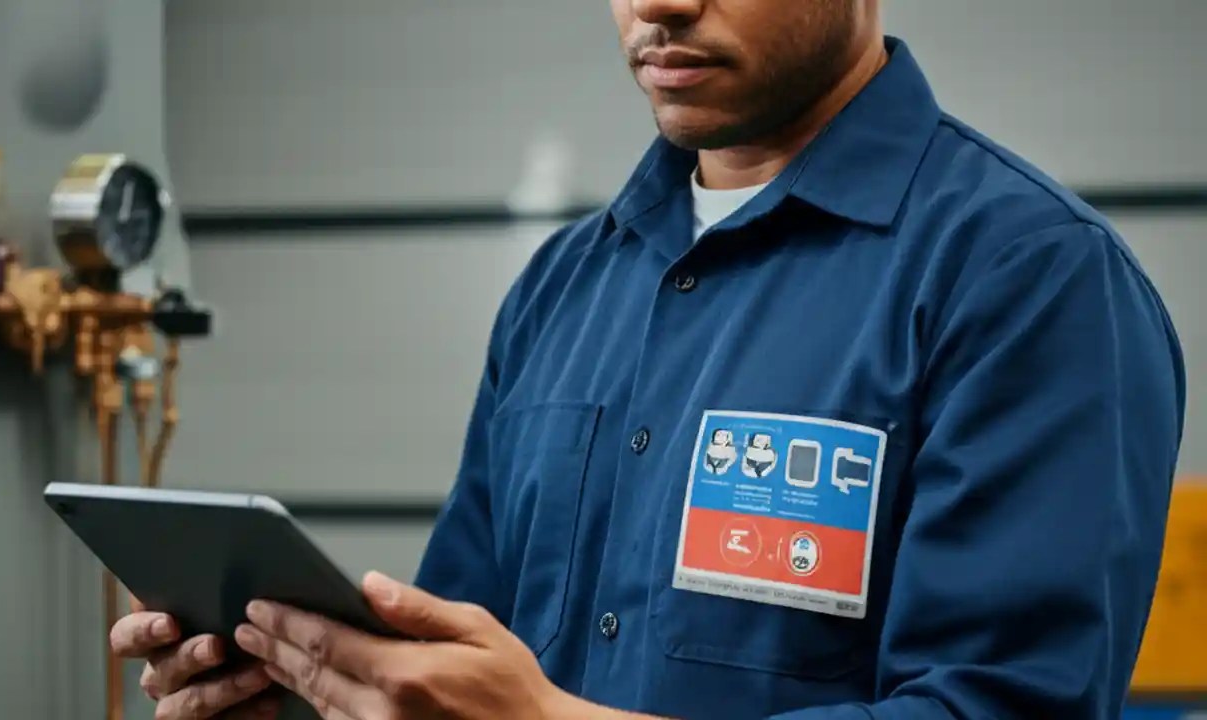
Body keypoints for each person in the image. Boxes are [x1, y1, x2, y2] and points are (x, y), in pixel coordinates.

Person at [109, 0, 1187, 718]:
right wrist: (317, 688)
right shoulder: (563, 285)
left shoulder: (1025, 279)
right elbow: (465, 662)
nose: (659, 1)